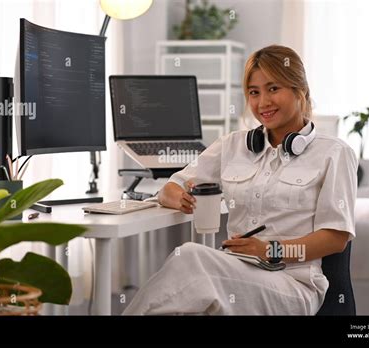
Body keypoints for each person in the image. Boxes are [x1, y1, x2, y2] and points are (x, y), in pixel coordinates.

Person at [123, 45, 357, 315]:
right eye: (254, 93)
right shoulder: (232, 145)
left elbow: (336, 238)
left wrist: (270, 249)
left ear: (299, 90)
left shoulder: (334, 153)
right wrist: (180, 197)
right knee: (183, 300)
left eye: (273, 89)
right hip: (236, 270)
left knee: (190, 257)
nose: (262, 103)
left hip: (294, 286)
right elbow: (170, 187)